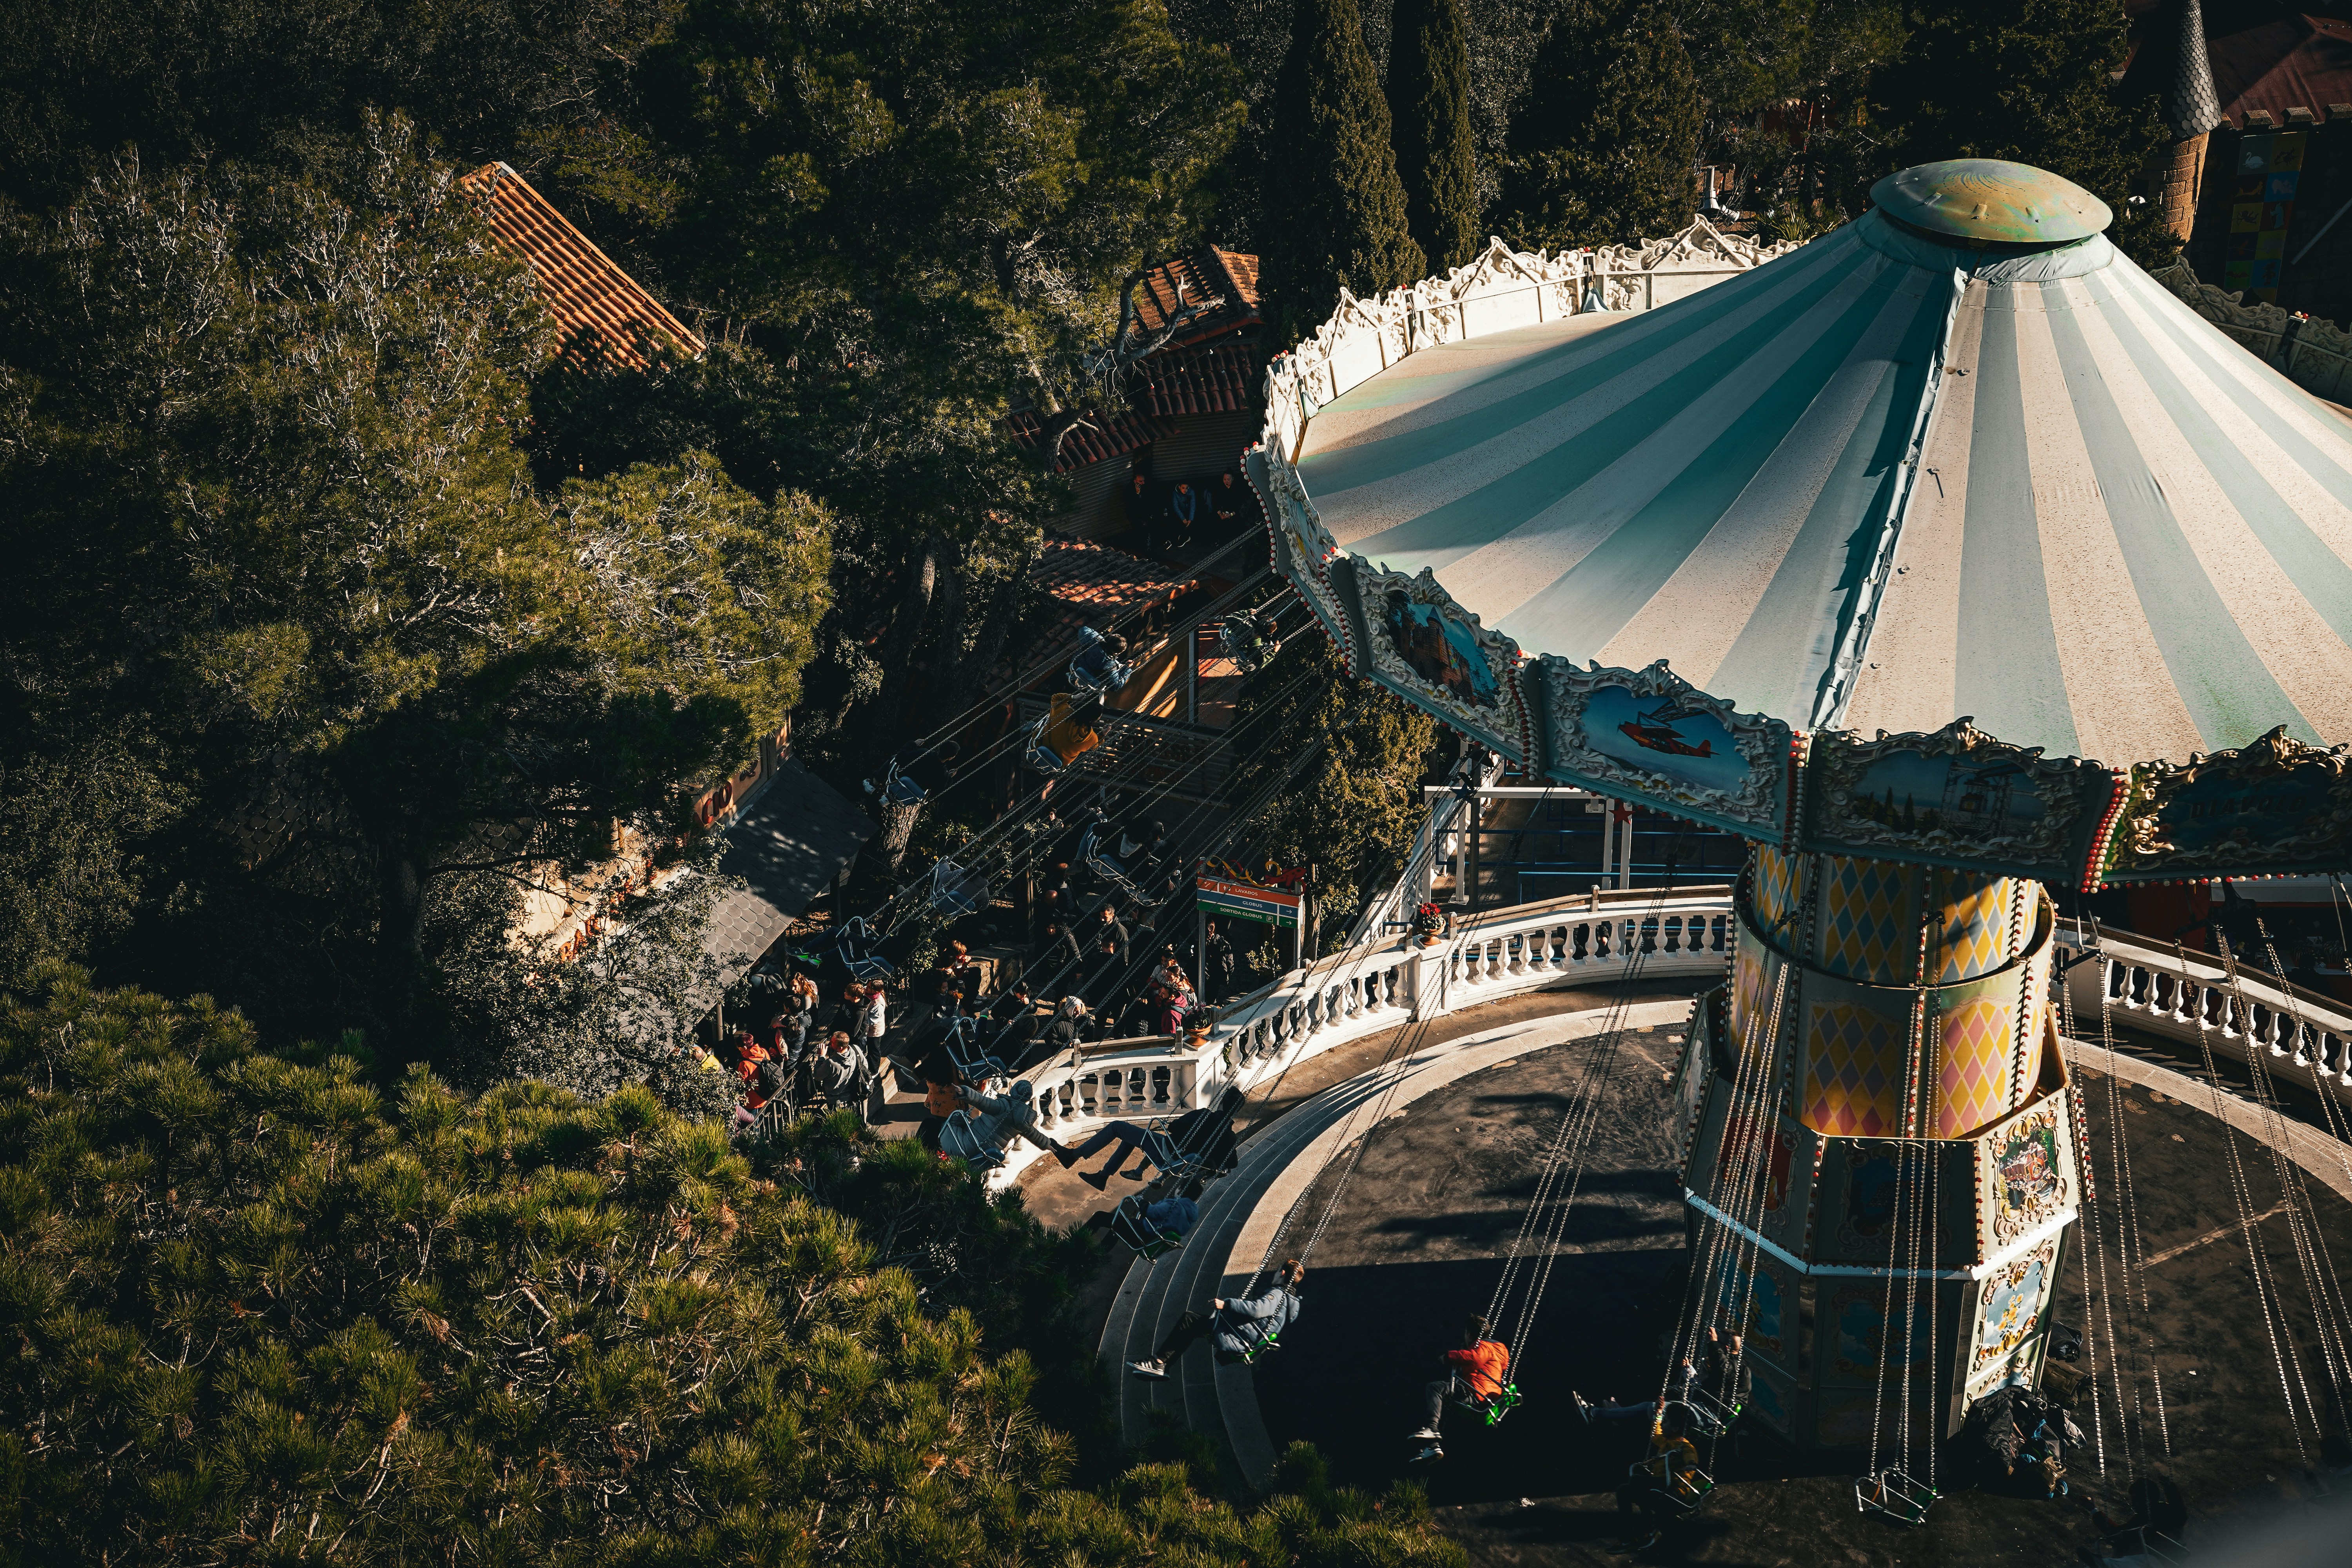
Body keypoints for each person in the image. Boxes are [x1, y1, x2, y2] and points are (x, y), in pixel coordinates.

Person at [1129, 1258, 1304, 1378]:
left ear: (1282, 1273)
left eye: (1277, 1273)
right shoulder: (1289, 1304)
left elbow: (1258, 1310)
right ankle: (1161, 1364)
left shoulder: (1278, 1294)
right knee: (1192, 1325)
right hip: (1242, 1336)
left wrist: (1227, 1305)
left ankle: (1159, 1363)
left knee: (1189, 1320)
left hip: (1235, 1334)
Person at [1060, 1085, 1245, 1191]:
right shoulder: (1229, 1138)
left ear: (1222, 1102)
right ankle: (1103, 1176)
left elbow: (1173, 1127)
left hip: (1167, 1152)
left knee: (1117, 1127)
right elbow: (1233, 1163)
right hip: (1182, 1165)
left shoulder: (1205, 1115)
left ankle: (1074, 1155)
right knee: (1133, 1137)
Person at [1407, 1316, 1512, 1463]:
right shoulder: (1498, 1349)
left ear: (1469, 1334)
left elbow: (1475, 1359)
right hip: (1486, 1394)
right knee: (1444, 1402)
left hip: (1475, 1392)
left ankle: (1431, 1428)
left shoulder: (1483, 1347)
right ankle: (1433, 1447)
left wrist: (1450, 1356)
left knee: (1435, 1388)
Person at [1613, 1401, 1703, 1552]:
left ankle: (1647, 1531)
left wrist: (1692, 1464)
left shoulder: (1685, 1446)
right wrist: (1660, 1413)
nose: (1663, 1424)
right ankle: (1639, 1527)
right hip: (1661, 1484)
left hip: (1674, 1492)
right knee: (1629, 1485)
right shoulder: (1667, 1440)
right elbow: (1656, 1434)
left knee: (1637, 1490)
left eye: (1666, 1421)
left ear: (1675, 1428)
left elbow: (1690, 1455)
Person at [1203, 921, 1235, 1003]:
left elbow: (1229, 962)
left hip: (1212, 975)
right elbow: (1230, 962)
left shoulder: (1221, 944)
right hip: (1213, 975)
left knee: (1210, 998)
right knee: (1211, 998)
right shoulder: (1224, 944)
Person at [1164, 480, 1198, 552]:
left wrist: (1190, 519)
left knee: (1192, 521)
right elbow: (1176, 507)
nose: (1185, 490)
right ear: (1180, 487)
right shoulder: (1175, 493)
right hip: (1181, 512)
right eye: (1183, 488)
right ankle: (1181, 536)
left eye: (1187, 488)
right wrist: (1183, 519)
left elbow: (1193, 506)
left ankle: (1186, 537)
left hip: (1188, 512)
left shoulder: (1191, 492)